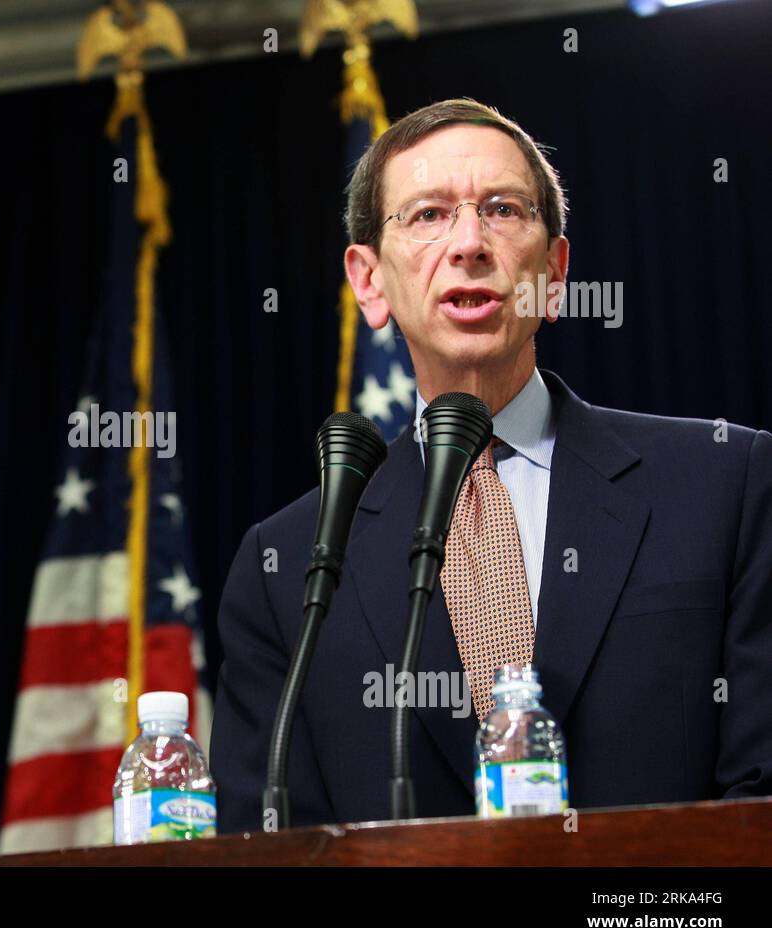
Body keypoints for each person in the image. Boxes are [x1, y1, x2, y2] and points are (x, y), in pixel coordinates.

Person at [210, 99, 772, 832]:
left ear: (556, 269)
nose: (470, 243)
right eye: (428, 215)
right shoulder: (289, 569)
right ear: (370, 281)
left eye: (504, 210)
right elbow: (271, 843)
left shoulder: (723, 484)